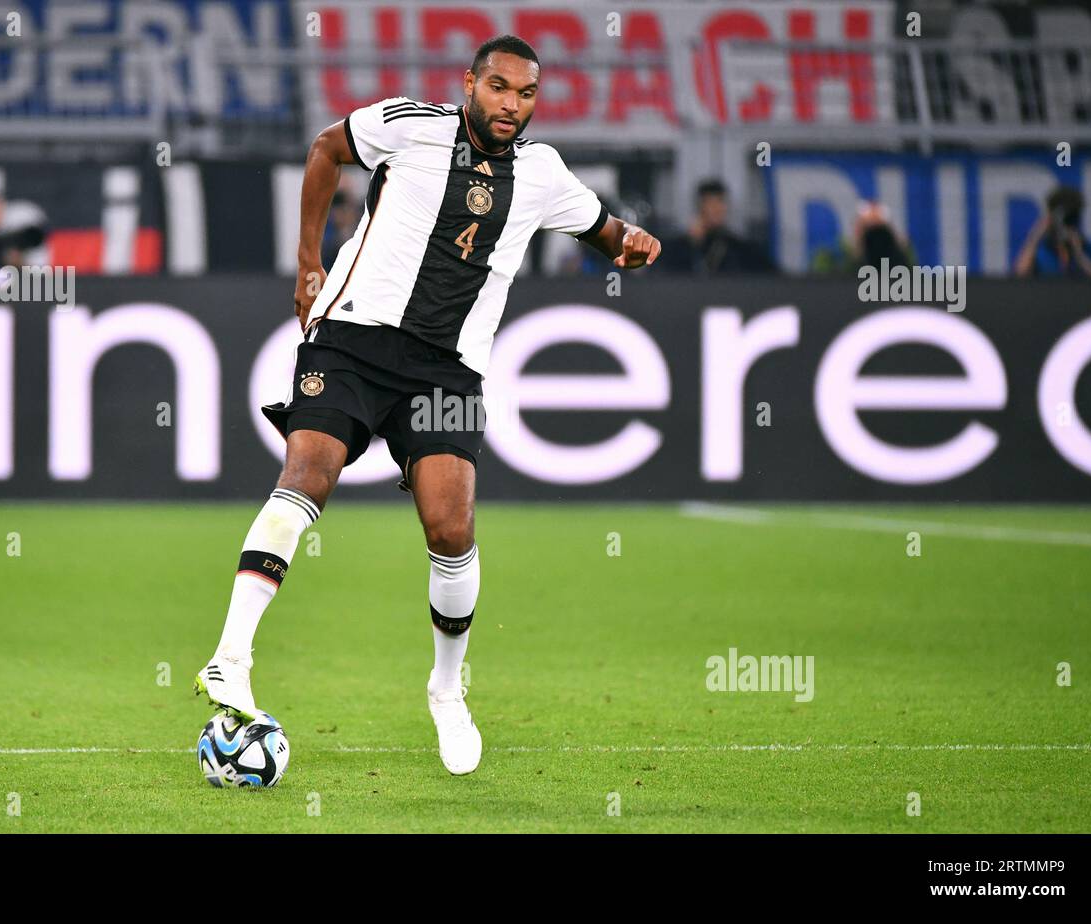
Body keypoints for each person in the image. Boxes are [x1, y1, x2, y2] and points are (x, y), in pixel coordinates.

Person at [194, 34, 661, 776]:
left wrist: (633, 242)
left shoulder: (542, 173)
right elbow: (324, 149)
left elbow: (605, 234)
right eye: (500, 87)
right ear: (470, 83)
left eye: (527, 94)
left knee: (451, 526)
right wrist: (310, 260)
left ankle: (447, 689)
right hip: (350, 339)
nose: (513, 104)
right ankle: (229, 657)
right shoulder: (411, 125)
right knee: (307, 474)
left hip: (447, 371)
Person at [664, 178, 774, 275]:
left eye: (720, 202)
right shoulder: (679, 247)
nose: (717, 209)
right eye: (710, 203)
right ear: (700, 207)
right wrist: (693, 244)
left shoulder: (739, 247)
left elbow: (771, 275)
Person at [1014, 186, 1091, 279]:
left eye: (1071, 220)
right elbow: (1020, 277)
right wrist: (1035, 237)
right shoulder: (1039, 255)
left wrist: (1079, 256)